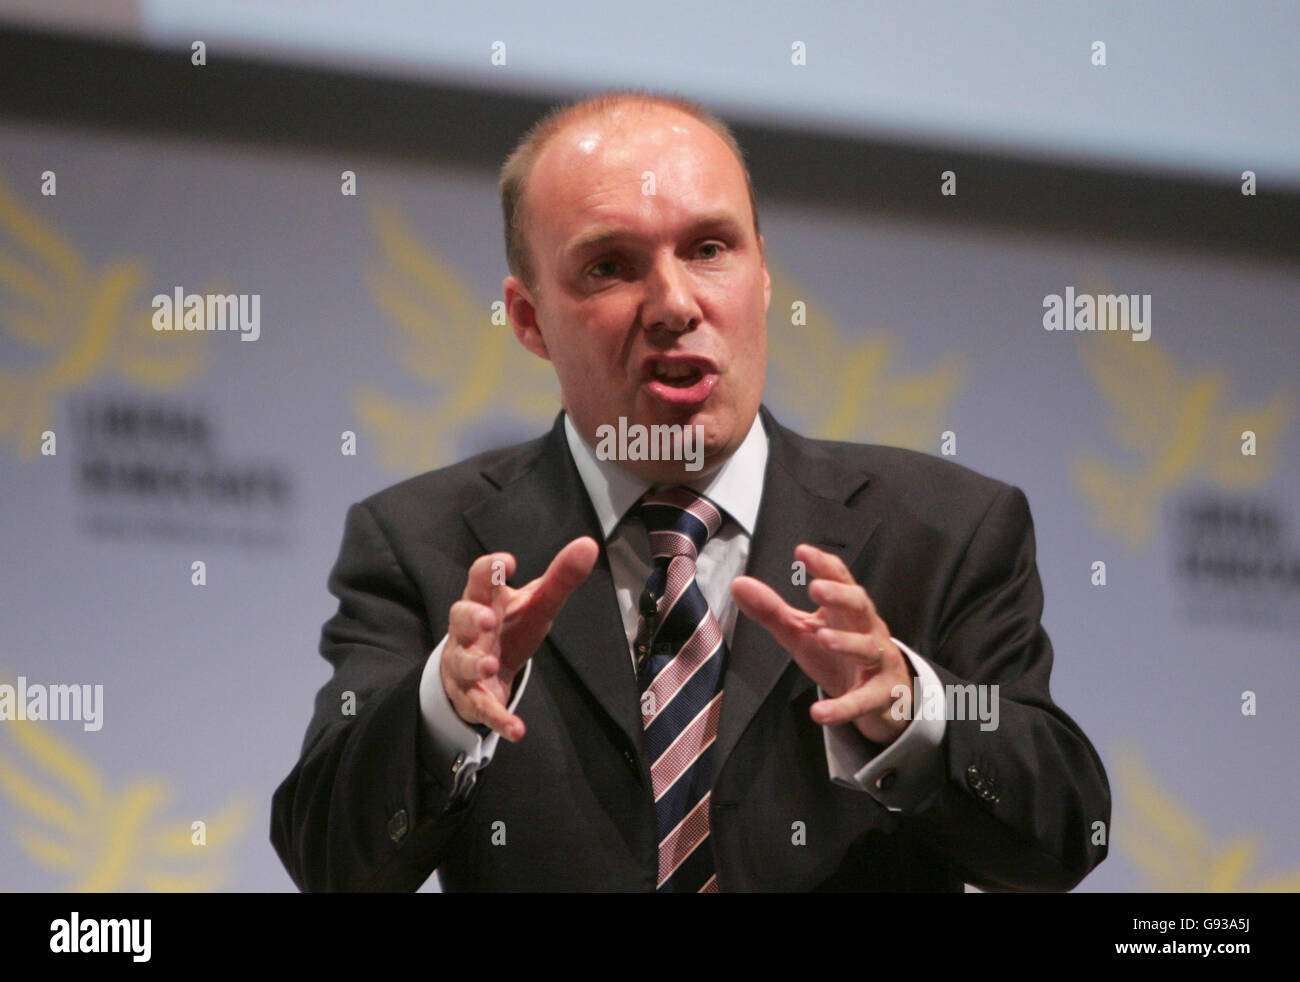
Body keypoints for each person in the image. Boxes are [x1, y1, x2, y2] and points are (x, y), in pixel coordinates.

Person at [270, 91, 1110, 892]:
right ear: (527, 320)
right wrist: (445, 711)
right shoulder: (423, 542)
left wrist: (910, 707)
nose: (674, 303)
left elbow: (1065, 837)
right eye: (610, 266)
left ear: (765, 277)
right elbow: (328, 861)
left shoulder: (946, 531)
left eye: (710, 249)